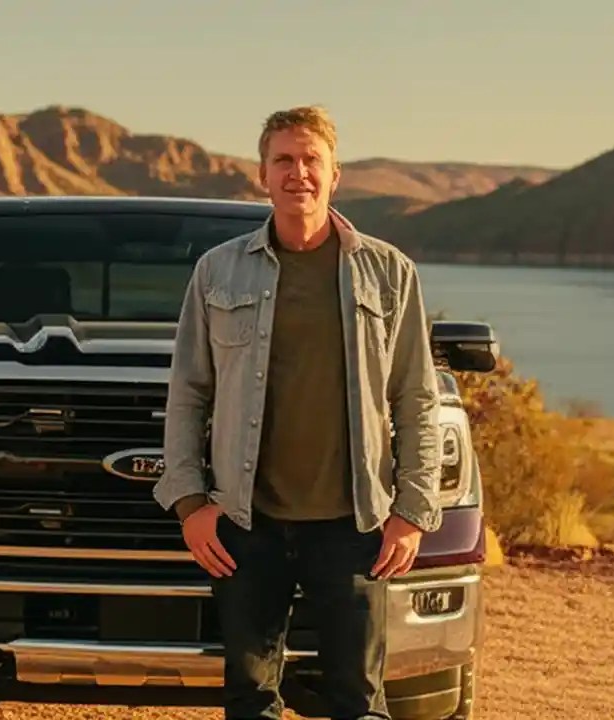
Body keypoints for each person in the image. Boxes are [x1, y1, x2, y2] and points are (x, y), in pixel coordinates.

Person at [154, 105, 443, 720]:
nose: (298, 173)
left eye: (312, 159)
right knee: (251, 699)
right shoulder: (218, 271)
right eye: (283, 159)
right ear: (262, 173)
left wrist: (412, 510)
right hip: (245, 524)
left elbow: (417, 396)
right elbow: (188, 394)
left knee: (357, 701)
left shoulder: (389, 273)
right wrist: (190, 504)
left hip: (354, 526)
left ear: (335, 174)